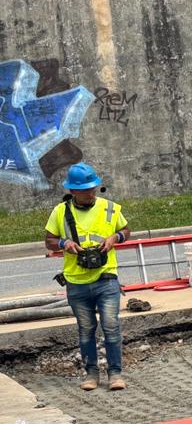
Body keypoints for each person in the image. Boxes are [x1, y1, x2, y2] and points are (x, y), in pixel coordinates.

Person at [43, 163, 130, 391]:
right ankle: (91, 374)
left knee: (111, 326)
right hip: (77, 282)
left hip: (106, 278)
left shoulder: (109, 208)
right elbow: (49, 240)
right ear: (73, 191)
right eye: (85, 190)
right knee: (86, 329)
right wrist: (64, 243)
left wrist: (115, 238)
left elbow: (126, 231)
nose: (91, 193)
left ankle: (115, 374)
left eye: (93, 188)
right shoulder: (60, 212)